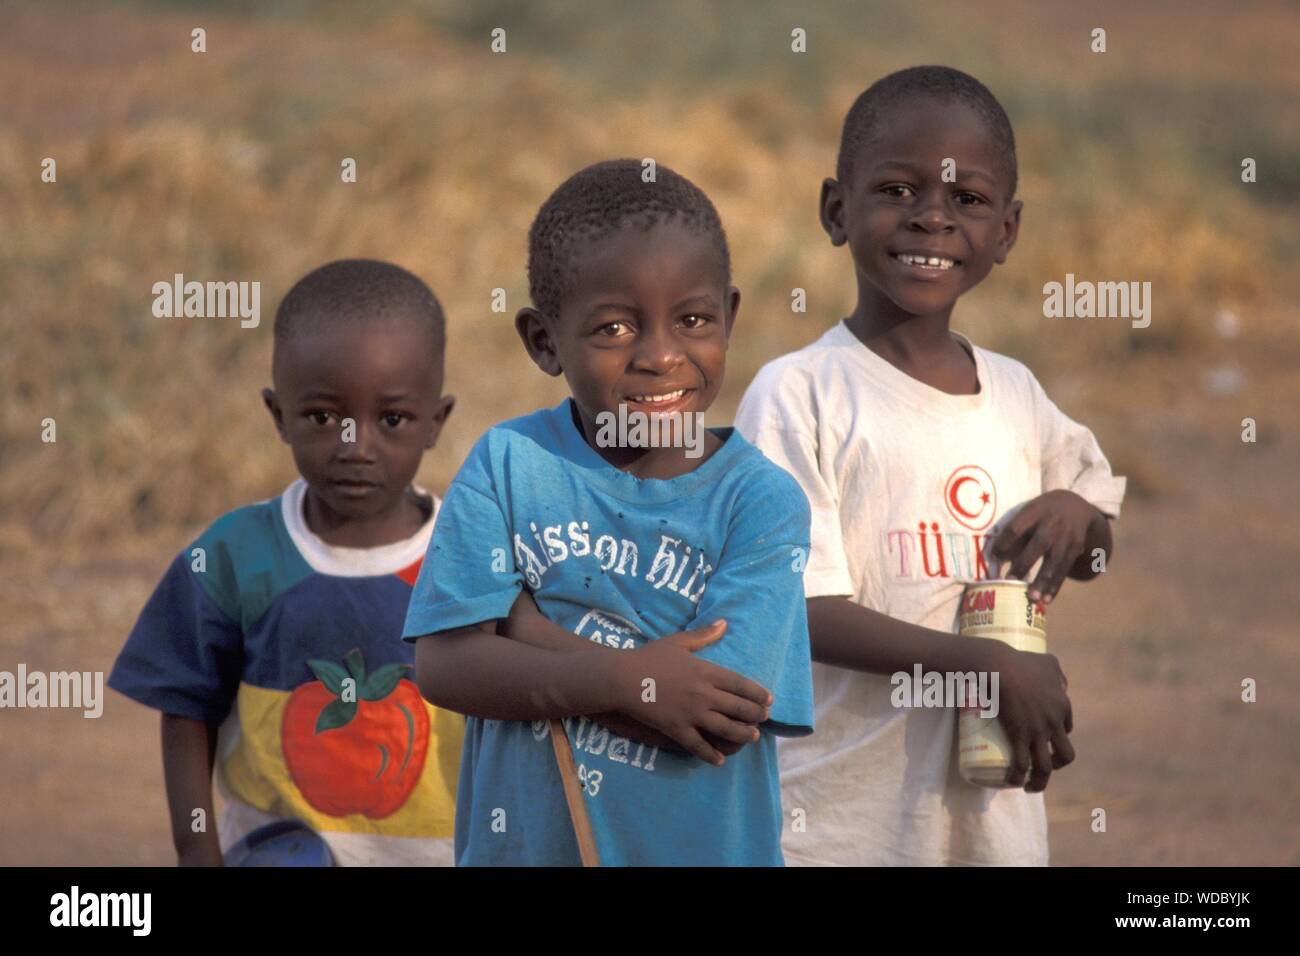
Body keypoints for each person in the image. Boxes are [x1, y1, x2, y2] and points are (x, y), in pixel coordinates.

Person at [734, 66, 1127, 866]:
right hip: (839, 823)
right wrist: (987, 667)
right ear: (836, 211)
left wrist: (1081, 517)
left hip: (988, 823)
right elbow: (799, 609)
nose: (932, 219)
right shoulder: (800, 394)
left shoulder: (1017, 395)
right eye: (898, 191)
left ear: (1007, 232)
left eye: (967, 200)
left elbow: (1091, 552)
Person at [404, 159, 814, 866]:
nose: (660, 356)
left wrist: (525, 627)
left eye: (693, 320)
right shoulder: (509, 465)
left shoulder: (760, 502)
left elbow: (717, 716)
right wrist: (628, 681)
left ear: (729, 317)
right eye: (615, 328)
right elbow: (445, 666)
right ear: (544, 341)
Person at [109, 259, 463, 865]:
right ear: (279, 416)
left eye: (392, 419)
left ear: (436, 422)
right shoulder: (233, 557)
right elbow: (186, 709)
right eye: (323, 418)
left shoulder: (472, 555)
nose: (356, 446)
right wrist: (196, 849)